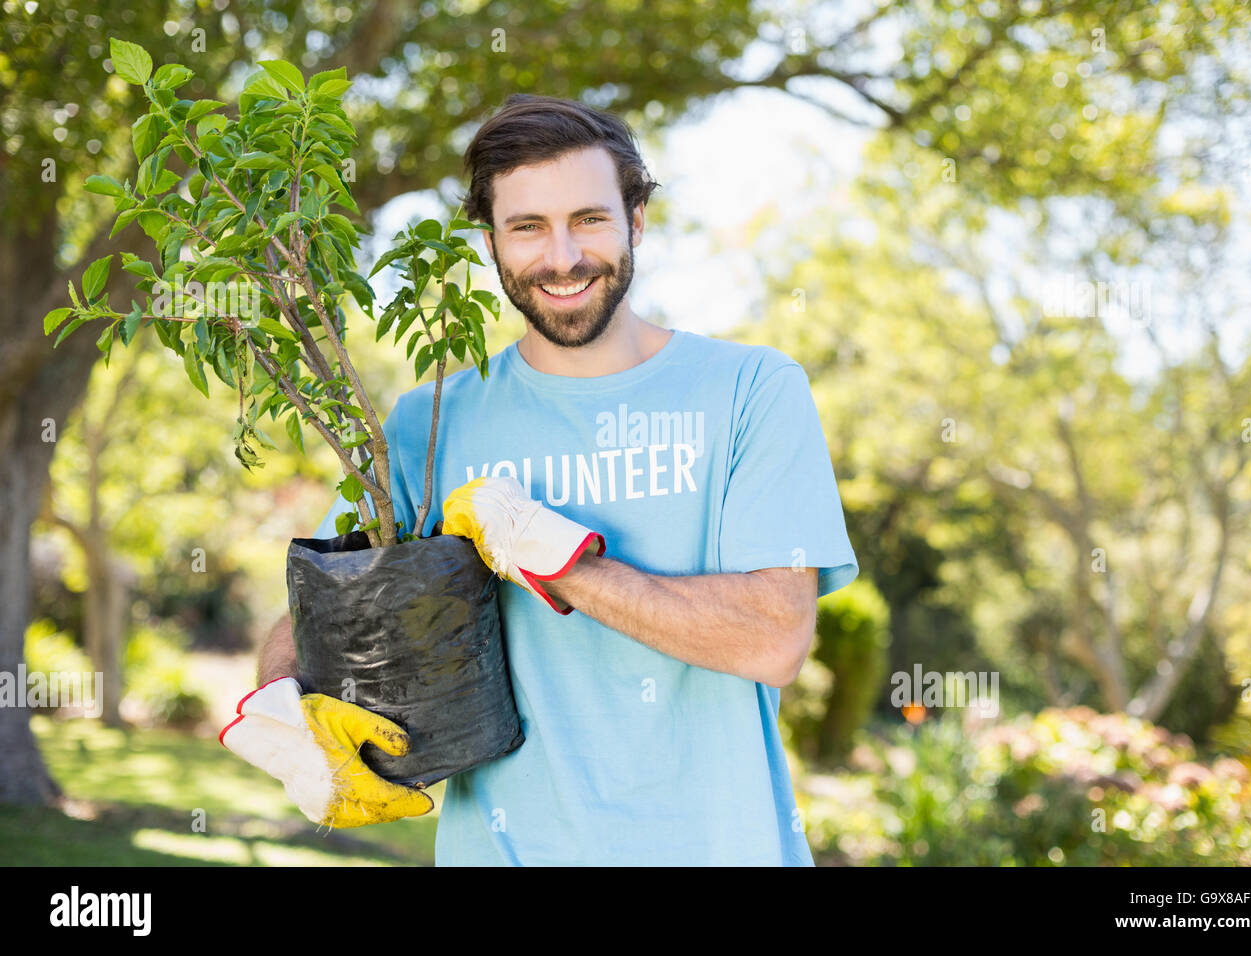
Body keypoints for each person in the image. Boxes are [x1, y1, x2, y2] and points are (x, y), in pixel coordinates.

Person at [222, 93, 859, 865]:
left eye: (588, 219)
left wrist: (563, 564)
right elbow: (317, 615)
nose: (562, 257)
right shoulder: (430, 425)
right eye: (528, 227)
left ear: (637, 221)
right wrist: (287, 714)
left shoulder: (750, 389)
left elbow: (774, 637)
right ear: (491, 241)